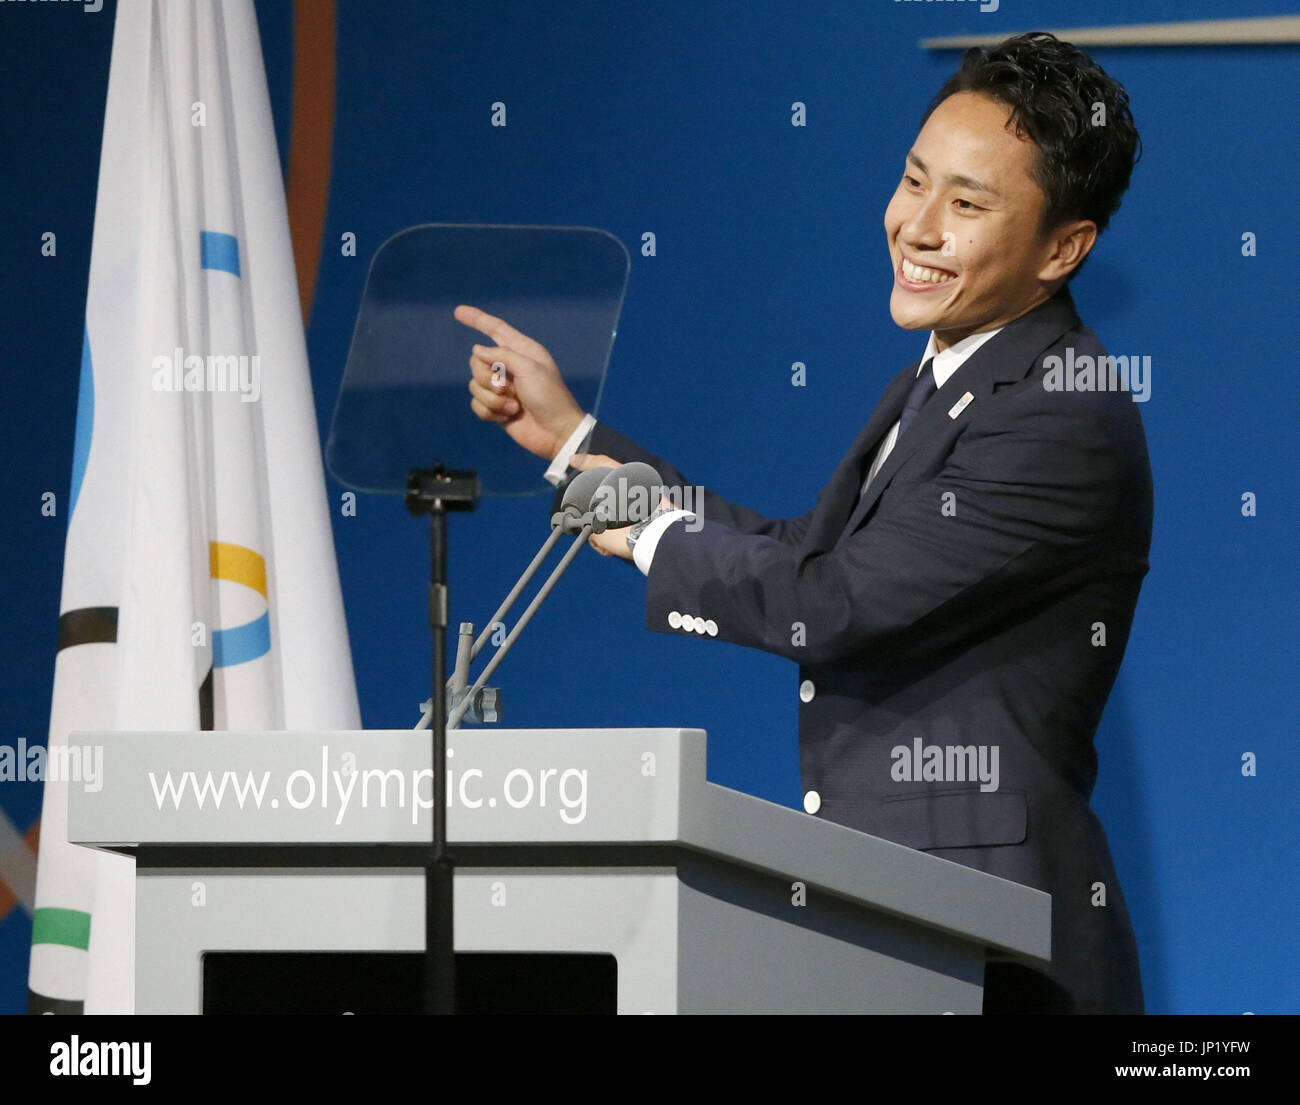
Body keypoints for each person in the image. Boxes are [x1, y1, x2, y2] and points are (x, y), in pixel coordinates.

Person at [456, 31, 1149, 1014]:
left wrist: (647, 533)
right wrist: (571, 442)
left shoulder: (1055, 413)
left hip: (993, 956)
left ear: (1061, 249)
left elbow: (828, 603)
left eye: (967, 203)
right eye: (914, 181)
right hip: (902, 929)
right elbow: (807, 554)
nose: (916, 227)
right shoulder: (951, 375)